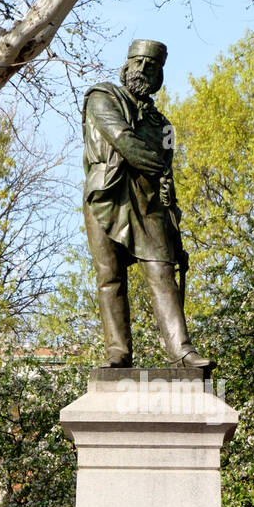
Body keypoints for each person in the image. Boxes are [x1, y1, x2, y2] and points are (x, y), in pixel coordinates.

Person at [81, 39, 212, 369]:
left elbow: (169, 163)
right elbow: (123, 140)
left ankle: (182, 351)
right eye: (137, 62)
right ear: (126, 66)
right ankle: (118, 352)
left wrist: (171, 202)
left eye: (150, 66)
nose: (142, 70)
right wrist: (161, 170)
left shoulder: (165, 127)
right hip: (105, 196)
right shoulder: (101, 97)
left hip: (148, 201)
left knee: (161, 272)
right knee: (110, 278)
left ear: (159, 76)